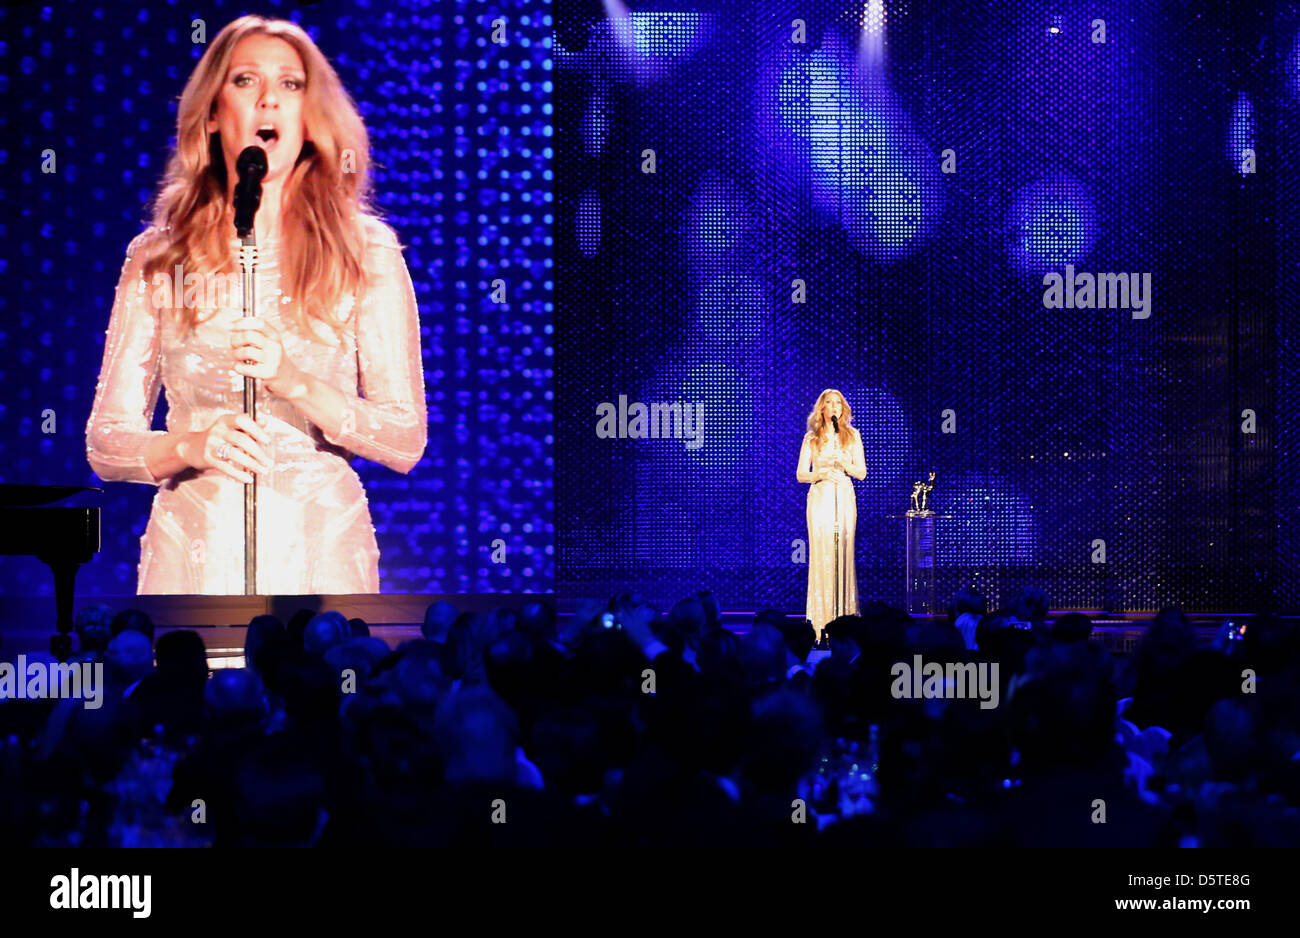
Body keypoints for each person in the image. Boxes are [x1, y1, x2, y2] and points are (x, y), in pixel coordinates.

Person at [85, 16, 427, 594]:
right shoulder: (158, 256)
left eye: (291, 85)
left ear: (310, 117)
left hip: (320, 552)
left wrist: (294, 381)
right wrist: (190, 445)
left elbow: (404, 439)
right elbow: (106, 441)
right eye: (245, 80)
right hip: (194, 553)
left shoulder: (365, 251)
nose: (269, 98)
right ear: (214, 112)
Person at [796, 389, 866, 640]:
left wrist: (844, 463)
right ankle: (820, 624)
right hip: (821, 497)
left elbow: (862, 473)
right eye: (829, 403)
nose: (834, 407)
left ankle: (845, 622)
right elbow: (801, 474)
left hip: (844, 496)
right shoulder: (811, 438)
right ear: (822, 409)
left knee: (842, 555)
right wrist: (821, 474)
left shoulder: (852, 435)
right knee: (823, 557)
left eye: (838, 403)